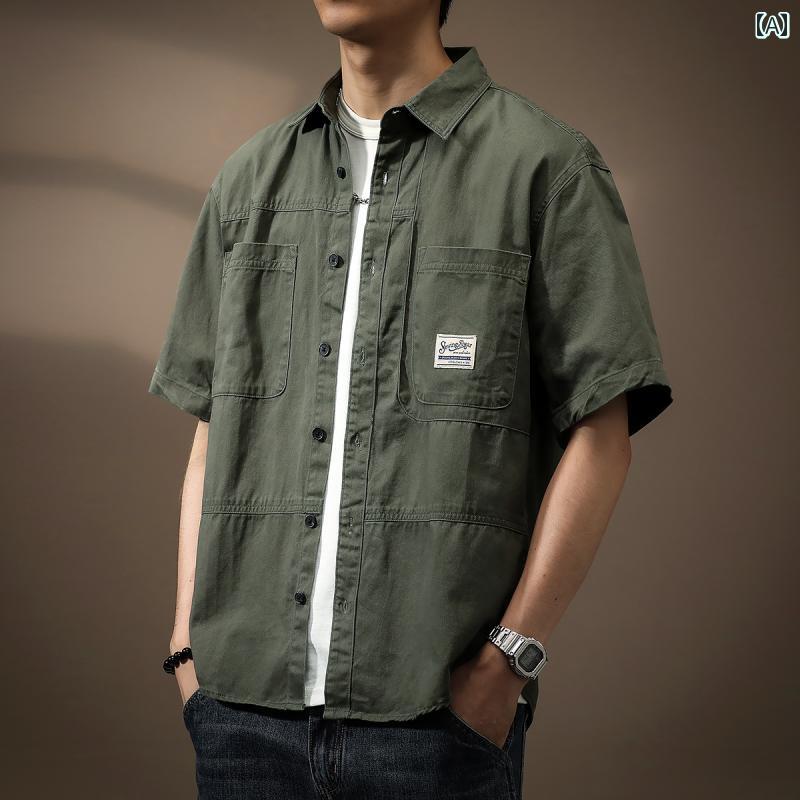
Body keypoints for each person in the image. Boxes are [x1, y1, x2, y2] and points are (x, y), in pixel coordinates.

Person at [149, 1, 674, 797]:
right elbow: (211, 441)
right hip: (241, 718)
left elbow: (605, 433)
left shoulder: (544, 166)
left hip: (434, 729)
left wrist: (508, 663)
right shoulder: (249, 181)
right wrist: (188, 649)